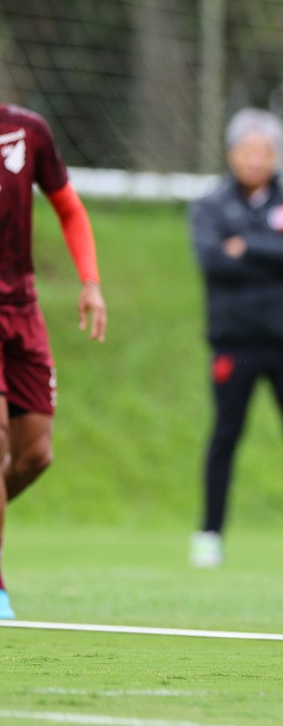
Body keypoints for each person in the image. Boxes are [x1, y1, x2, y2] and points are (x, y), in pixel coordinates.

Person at [188, 108, 283, 568]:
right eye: (246, 151)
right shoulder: (211, 206)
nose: (254, 160)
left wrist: (245, 245)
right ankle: (209, 534)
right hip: (235, 343)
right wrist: (279, 248)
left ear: (275, 156)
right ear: (232, 155)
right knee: (225, 436)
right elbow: (212, 260)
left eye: (263, 151)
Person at [0, 103, 107, 619]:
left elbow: (68, 208)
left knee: (35, 454)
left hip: (22, 310)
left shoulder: (28, 130)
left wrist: (90, 282)